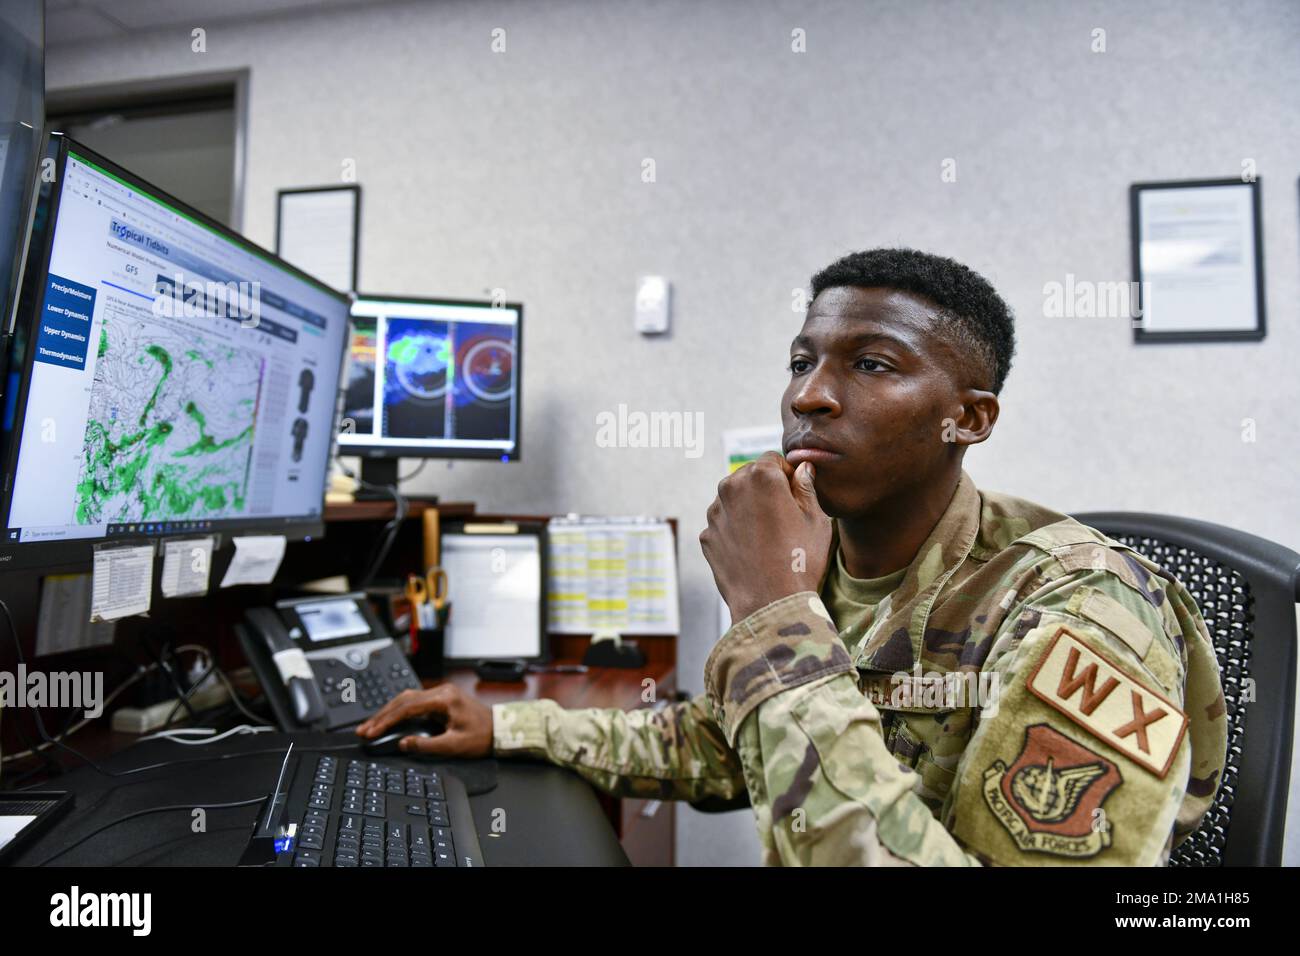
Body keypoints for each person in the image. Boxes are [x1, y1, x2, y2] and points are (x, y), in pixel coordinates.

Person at [357, 248, 1226, 866]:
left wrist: (775, 614)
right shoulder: (828, 558)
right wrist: (511, 725)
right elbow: (722, 745)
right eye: (802, 361)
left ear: (969, 417)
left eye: (872, 364)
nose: (809, 394)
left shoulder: (1081, 605)